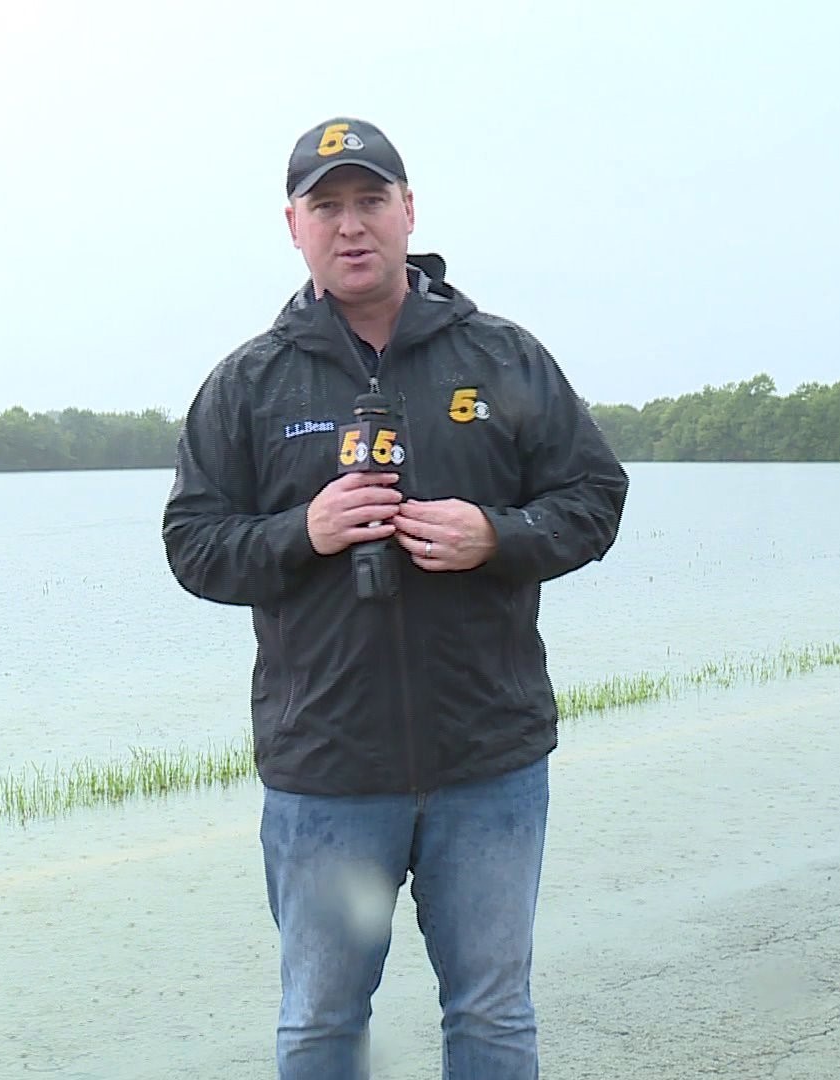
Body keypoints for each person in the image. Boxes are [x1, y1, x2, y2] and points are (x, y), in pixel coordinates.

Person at [161, 116, 629, 1079]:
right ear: (293, 225)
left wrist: (496, 536)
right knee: (321, 1021)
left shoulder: (502, 359)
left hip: (489, 761)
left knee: (493, 1014)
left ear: (409, 210)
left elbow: (593, 498)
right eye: (326, 206)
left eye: (370, 200)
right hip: (327, 772)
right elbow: (194, 545)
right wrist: (304, 531)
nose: (351, 225)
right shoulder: (249, 384)